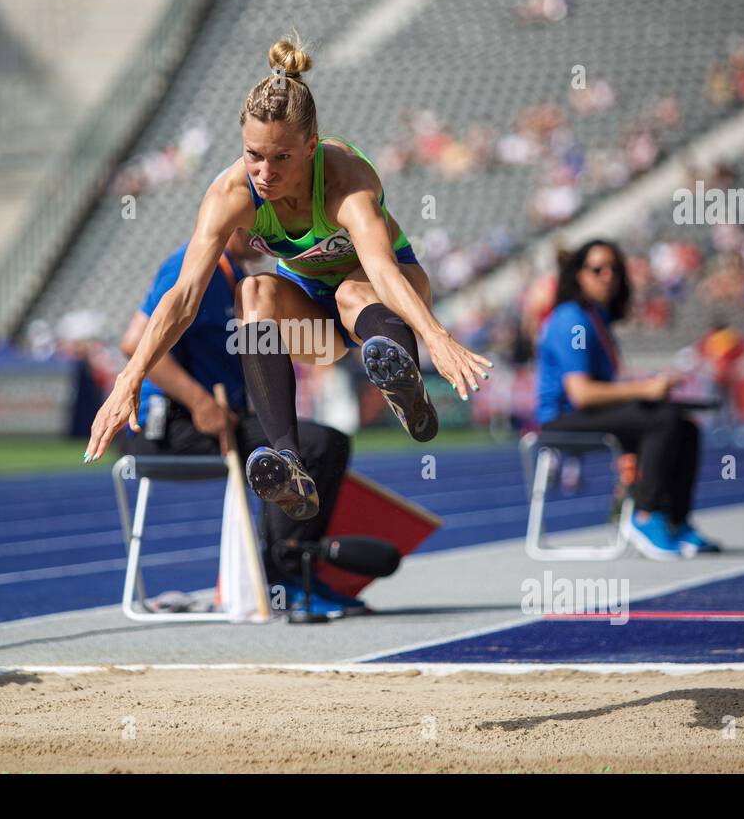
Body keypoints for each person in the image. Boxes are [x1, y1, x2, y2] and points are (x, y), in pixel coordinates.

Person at [83, 30, 493, 520]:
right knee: (253, 289)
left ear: (312, 147)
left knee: (350, 291)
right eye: (254, 155)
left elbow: (382, 268)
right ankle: (287, 459)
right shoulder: (231, 193)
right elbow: (184, 294)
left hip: (386, 298)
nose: (265, 173)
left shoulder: (345, 179)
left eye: (281, 158)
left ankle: (405, 385)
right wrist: (130, 377)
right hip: (317, 328)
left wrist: (436, 336)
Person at [117, 226, 361, 614]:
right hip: (168, 426)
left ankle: (287, 572)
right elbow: (136, 343)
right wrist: (199, 401)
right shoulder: (194, 264)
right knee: (315, 446)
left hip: (225, 418)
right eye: (256, 225)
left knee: (315, 443)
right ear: (229, 221)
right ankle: (282, 577)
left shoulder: (243, 279)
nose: (266, 235)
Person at [534, 239, 719, 559]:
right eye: (598, 269)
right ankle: (646, 516)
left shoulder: (596, 318)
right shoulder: (571, 320)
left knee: (685, 426)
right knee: (663, 419)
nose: (608, 276)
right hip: (561, 420)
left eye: (615, 270)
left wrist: (648, 391)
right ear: (578, 275)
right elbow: (582, 393)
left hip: (588, 414)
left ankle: (676, 520)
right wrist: (645, 390)